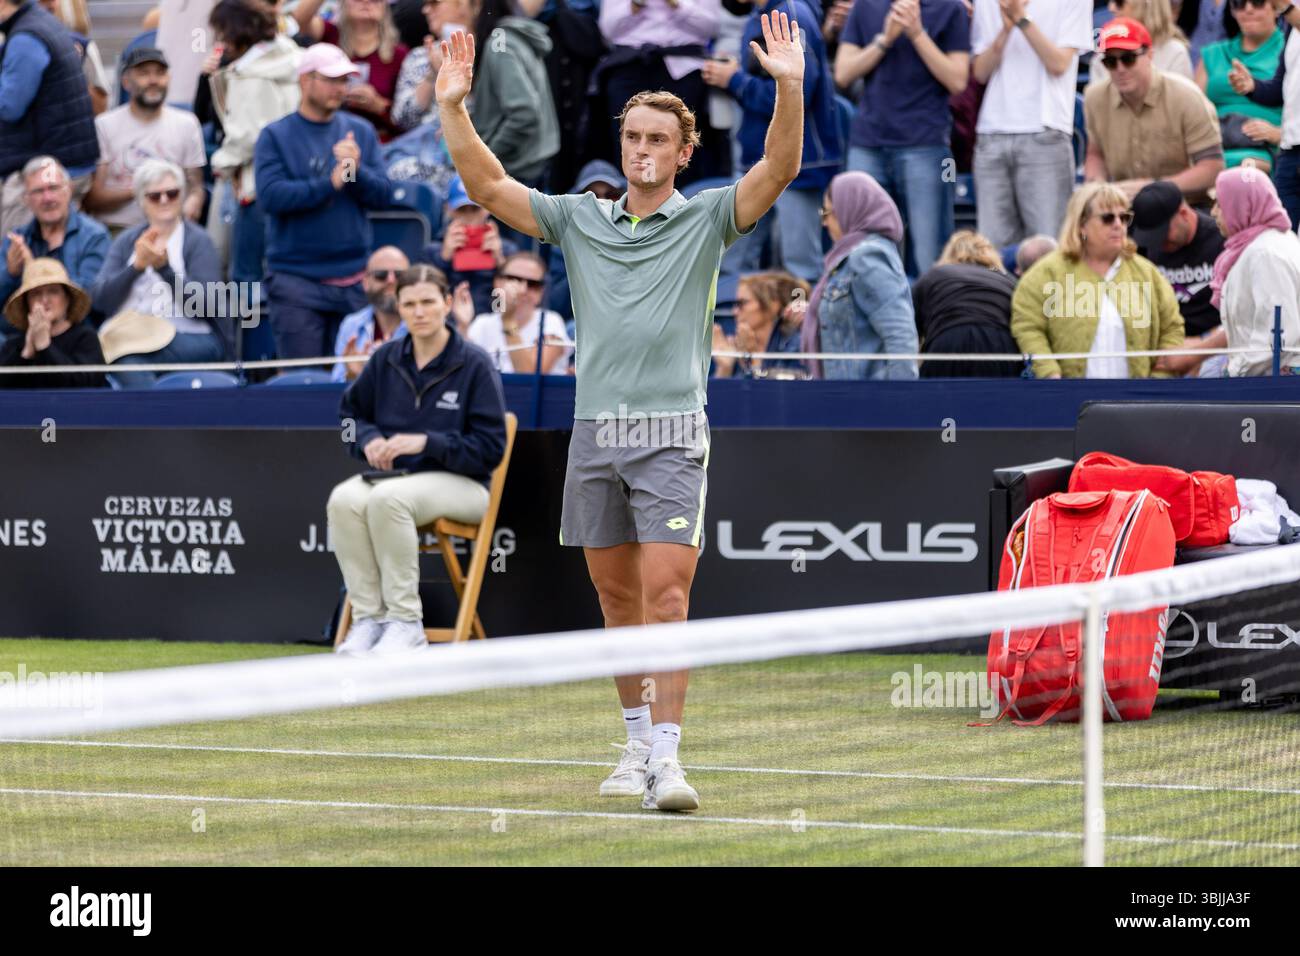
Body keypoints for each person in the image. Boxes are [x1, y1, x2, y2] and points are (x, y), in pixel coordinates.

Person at [435, 13, 804, 811]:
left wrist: (789, 84)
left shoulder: (708, 217)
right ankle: (635, 743)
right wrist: (454, 108)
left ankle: (669, 761)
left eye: (657, 140)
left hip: (673, 431)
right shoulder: (580, 219)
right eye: (632, 136)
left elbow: (779, 166)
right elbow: (488, 187)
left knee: (667, 598)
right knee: (616, 601)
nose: (640, 149)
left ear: (682, 152)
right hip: (597, 434)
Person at [330, 264, 508, 656]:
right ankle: (368, 620)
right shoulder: (386, 357)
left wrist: (426, 442)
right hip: (397, 479)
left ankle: (406, 623)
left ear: (447, 304)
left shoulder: (474, 363)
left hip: (466, 485)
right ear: (399, 306)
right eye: (410, 304)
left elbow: (490, 449)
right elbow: (349, 418)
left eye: (428, 302)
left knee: (387, 501)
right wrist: (370, 439)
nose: (419, 312)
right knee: (343, 500)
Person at [254, 43, 396, 361]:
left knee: (357, 382)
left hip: (355, 279)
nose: (339, 88)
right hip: (296, 281)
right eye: (331, 79)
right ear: (305, 81)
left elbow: (384, 196)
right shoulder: (275, 135)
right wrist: (329, 184)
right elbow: (271, 197)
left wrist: (355, 172)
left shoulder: (360, 130)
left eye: (344, 81)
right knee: (303, 384)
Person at [703, 0, 844, 283]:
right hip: (757, 161)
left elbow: (795, 94)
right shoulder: (763, 13)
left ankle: (804, 328)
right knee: (733, 266)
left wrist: (735, 81)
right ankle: (736, 328)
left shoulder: (791, 13)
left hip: (798, 164)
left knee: (801, 272)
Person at [834, 0, 970, 277]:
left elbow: (957, 80)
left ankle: (931, 320)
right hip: (868, 142)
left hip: (926, 144)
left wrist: (917, 33)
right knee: (864, 248)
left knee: (931, 252)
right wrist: (885, 39)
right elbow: (843, 73)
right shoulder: (866, 5)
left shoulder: (951, 8)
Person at [1011, 181, 1185, 378]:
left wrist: (1157, 383)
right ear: (1081, 225)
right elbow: (1027, 326)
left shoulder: (1148, 274)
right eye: (1107, 218)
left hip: (1136, 404)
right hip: (1068, 401)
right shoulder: (1045, 274)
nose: (1118, 225)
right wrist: (1050, 375)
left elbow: (1172, 329)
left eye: (1124, 217)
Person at [91, 160, 230, 388]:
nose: (164, 200)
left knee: (127, 360)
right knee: (117, 352)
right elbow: (100, 300)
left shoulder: (198, 241)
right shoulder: (126, 241)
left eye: (172, 194)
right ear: (141, 201)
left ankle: (153, 421)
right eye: (155, 196)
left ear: (183, 196)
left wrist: (164, 269)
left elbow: (206, 306)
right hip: (130, 334)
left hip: (189, 335)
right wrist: (135, 268)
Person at [970, 0, 1093, 247]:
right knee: (992, 253)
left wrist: (1021, 18)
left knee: (1049, 248)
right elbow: (980, 72)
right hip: (991, 133)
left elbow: (1059, 63)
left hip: (1045, 131)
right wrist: (1005, 30)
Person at [207, 0, 303, 299]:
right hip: (290, 180)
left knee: (245, 280)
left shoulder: (250, 76)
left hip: (254, 187)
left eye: (221, 32)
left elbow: (249, 137)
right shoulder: (290, 58)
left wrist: (221, 162)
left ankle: (247, 346)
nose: (219, 40)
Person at [592, 0, 732, 187]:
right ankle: (632, 208)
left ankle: (681, 209)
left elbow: (711, 28)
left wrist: (677, 4)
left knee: (680, 145)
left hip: (684, 70)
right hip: (629, 67)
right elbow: (608, 30)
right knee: (628, 143)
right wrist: (634, 5)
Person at [1084, 18, 1225, 202]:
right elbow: (1095, 153)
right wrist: (1098, 187)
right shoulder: (1095, 98)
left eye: (1128, 59)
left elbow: (1213, 167)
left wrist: (1154, 188)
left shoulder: (1185, 96)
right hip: (1124, 207)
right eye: (1110, 62)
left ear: (1150, 55)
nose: (1120, 69)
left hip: (1183, 204)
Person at [804, 170, 918, 380]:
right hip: (846, 399)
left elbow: (900, 335)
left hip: (867, 402)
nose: (825, 223)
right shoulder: (849, 257)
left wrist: (902, 400)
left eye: (827, 214)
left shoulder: (867, 257)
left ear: (850, 210)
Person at [0, 0, 99, 236]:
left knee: (19, 257)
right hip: (61, 163)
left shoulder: (26, 38)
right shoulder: (39, 23)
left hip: (45, 173)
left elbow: (9, 106)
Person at [83, 48, 207, 231]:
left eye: (160, 73)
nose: (153, 81)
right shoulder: (105, 125)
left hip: (170, 227)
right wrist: (148, 189)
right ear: (126, 82)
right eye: (144, 74)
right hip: (118, 227)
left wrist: (192, 204)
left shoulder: (187, 124)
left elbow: (196, 188)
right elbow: (93, 199)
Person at [1209, 164, 1300, 374]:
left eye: (1220, 204)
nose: (1213, 212)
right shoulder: (1262, 246)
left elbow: (1275, 335)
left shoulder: (1265, 254)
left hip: (1272, 388)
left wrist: (1235, 372)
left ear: (1243, 206)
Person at [0, 156, 108, 329]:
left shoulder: (94, 236)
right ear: (26, 199)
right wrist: (11, 273)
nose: (48, 198)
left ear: (69, 190)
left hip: (75, 333)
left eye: (53, 188)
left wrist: (32, 267)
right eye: (38, 191)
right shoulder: (16, 239)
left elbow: (93, 297)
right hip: (20, 334)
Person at [1130, 179, 1225, 374]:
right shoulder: (1144, 246)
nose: (1158, 243)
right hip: (1165, 339)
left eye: (1163, 234)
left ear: (1183, 214)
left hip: (1214, 338)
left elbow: (1238, 317)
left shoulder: (1221, 238)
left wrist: (1199, 347)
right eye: (1151, 237)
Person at [294, 0, 410, 141]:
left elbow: (408, 117)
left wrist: (378, 105)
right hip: (329, 137)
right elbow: (298, 20)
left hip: (379, 141)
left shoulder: (400, 54)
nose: (366, 2)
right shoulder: (331, 35)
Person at [912, 230, 1022, 378]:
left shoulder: (934, 275)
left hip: (948, 341)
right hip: (999, 344)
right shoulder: (1008, 280)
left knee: (939, 399)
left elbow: (910, 329)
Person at [1233, 0, 1300, 225]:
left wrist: (1287, 9)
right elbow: (1280, 89)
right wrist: (1252, 86)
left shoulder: (1292, 16)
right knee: (1283, 238)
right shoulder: (1291, 24)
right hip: (1290, 153)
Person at [1196, 0, 1284, 169]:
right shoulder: (1213, 52)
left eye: (1257, 2)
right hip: (1215, 141)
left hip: (1264, 147)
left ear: (1276, 7)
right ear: (1232, 11)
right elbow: (1192, 109)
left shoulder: (1289, 50)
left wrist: (1278, 134)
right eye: (1239, 3)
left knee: (1246, 169)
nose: (1248, 9)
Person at [0, 257, 105, 388]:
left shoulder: (85, 338)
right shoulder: (14, 345)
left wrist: (45, 346)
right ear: (26, 303)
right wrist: (26, 352)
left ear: (67, 299)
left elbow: (86, 384)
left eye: (53, 291)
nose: (45, 300)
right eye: (36, 293)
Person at [424, 175, 516, 317]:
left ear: (487, 209)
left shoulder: (507, 249)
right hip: (447, 323)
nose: (469, 216)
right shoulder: (432, 251)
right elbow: (424, 294)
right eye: (462, 210)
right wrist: (444, 258)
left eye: (475, 209)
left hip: (494, 322)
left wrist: (500, 261)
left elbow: (515, 295)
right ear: (448, 209)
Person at [547, 160, 627, 324]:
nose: (602, 201)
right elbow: (556, 306)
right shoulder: (563, 241)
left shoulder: (642, 229)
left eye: (611, 195)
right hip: (582, 324)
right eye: (591, 197)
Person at [467, 252, 572, 374]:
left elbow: (529, 377)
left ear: (541, 292)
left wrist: (508, 321)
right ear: (497, 282)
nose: (522, 290)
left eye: (533, 284)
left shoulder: (551, 321)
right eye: (514, 279)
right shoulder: (482, 323)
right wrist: (462, 326)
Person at [333, 245, 410, 382]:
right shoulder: (351, 325)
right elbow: (337, 386)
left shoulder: (426, 322)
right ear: (366, 283)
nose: (391, 281)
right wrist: (353, 376)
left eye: (399, 275)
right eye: (381, 275)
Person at [710, 271, 808, 378]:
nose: (734, 311)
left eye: (742, 303)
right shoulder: (737, 345)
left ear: (773, 305)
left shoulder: (795, 345)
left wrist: (754, 361)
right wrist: (724, 368)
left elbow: (780, 392)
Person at [1088, 0, 1193, 87]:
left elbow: (1179, 108)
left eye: (1120, 2)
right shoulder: (1104, 52)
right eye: (1111, 61)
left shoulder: (1175, 52)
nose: (1111, 8)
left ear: (1147, 6)